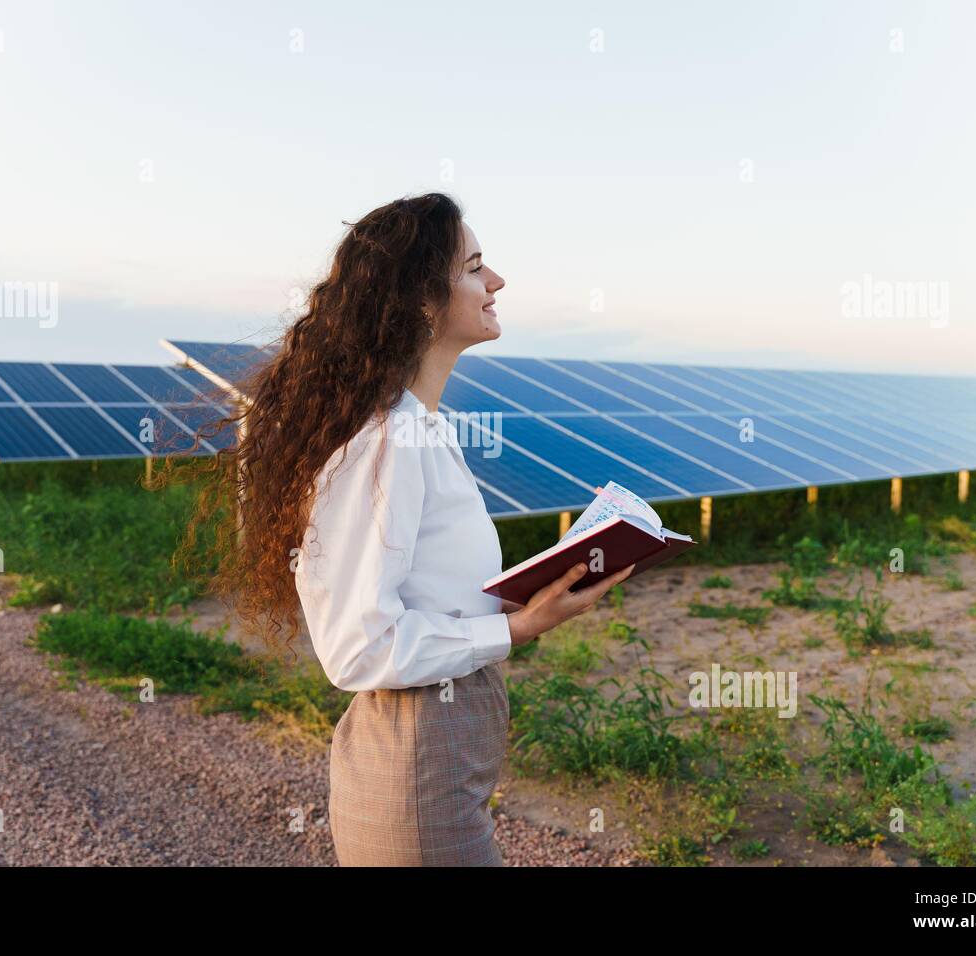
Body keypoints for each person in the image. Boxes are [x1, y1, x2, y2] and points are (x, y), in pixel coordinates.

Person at [167, 192, 632, 866]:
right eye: (474, 267)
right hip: (414, 772)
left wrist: (534, 589)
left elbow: (424, 594)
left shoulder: (414, 428)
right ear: (420, 299)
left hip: (434, 768)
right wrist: (516, 628)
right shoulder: (387, 440)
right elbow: (357, 647)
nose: (496, 282)